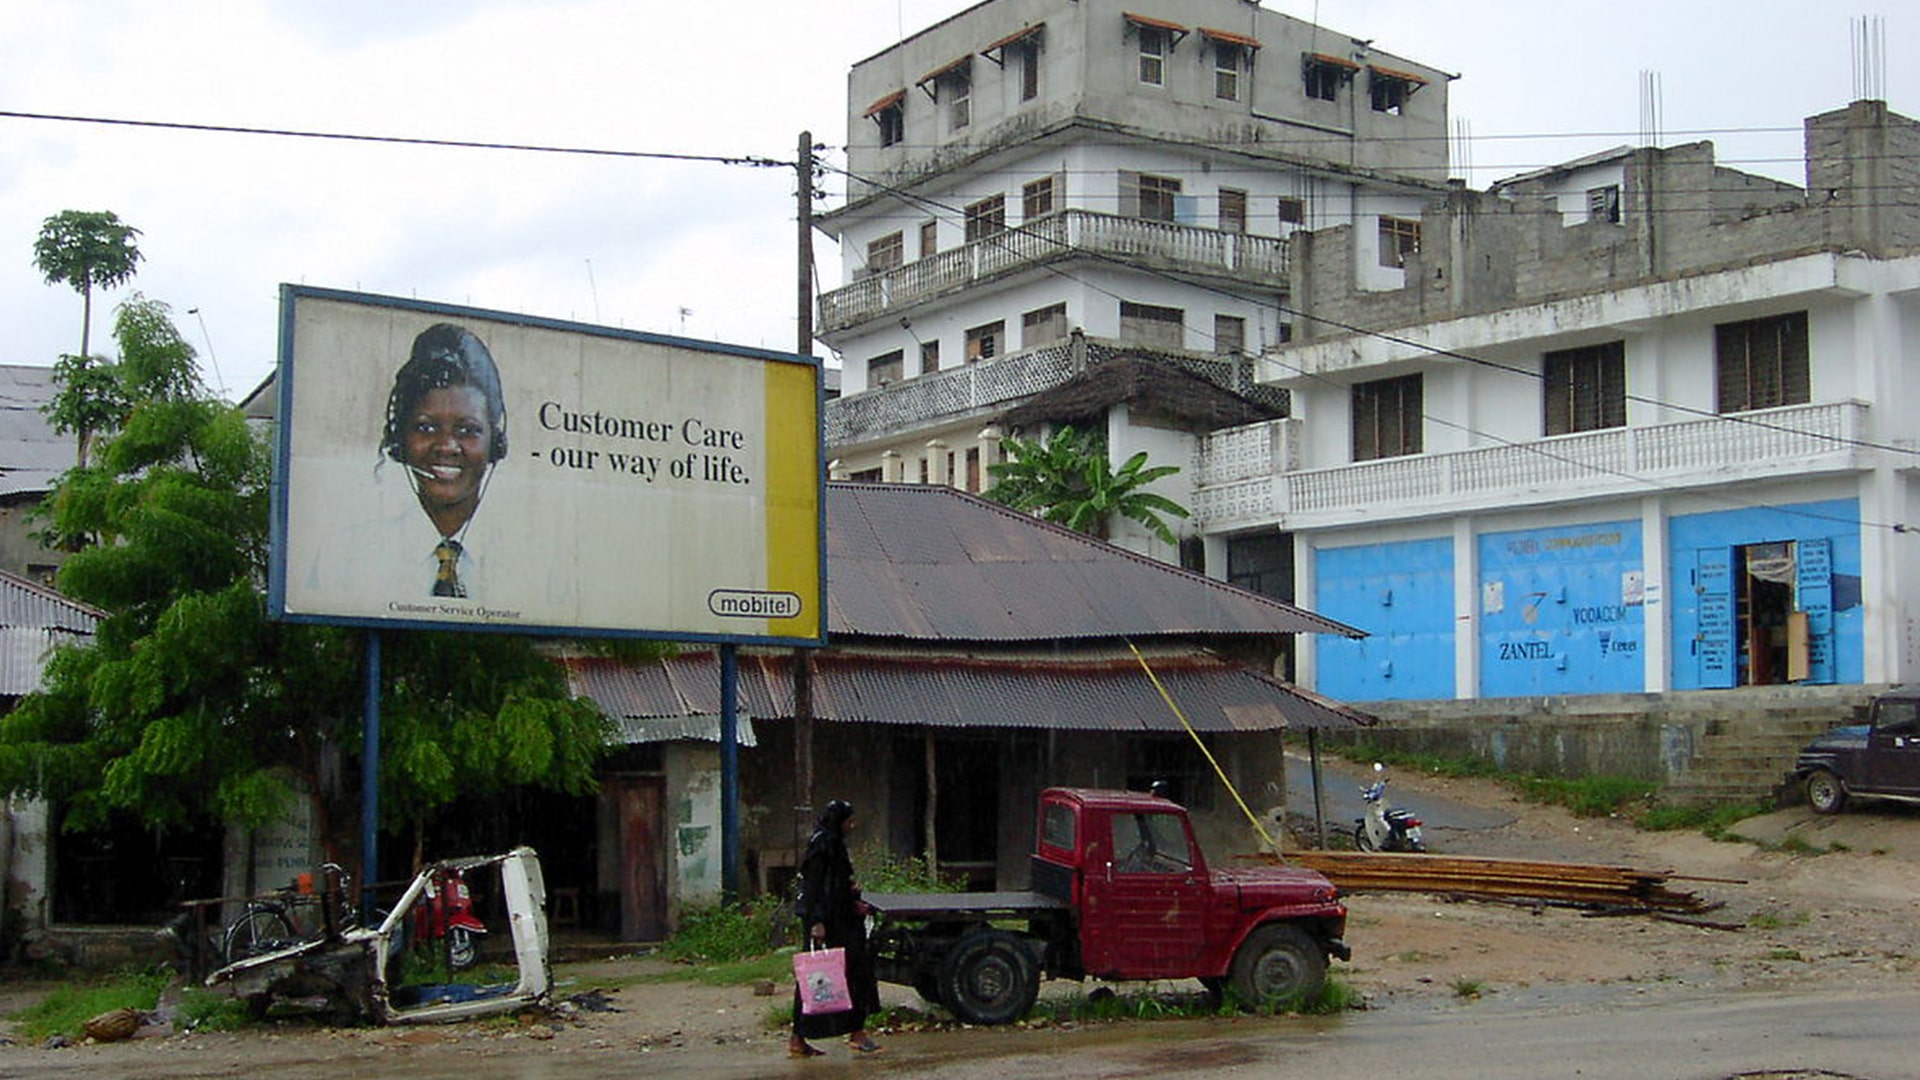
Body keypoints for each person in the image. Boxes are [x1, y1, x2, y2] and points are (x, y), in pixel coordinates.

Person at [378, 323, 508, 598]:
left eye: (467, 430)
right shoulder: (346, 555)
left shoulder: (532, 559)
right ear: (399, 437)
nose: (447, 447)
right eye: (426, 428)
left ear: (495, 442)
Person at [789, 799, 882, 1058]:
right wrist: (816, 921)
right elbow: (814, 886)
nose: (852, 826)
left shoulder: (834, 844)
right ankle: (802, 1036)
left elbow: (837, 883)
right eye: (848, 821)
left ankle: (855, 1030)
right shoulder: (823, 844)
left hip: (842, 918)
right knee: (820, 976)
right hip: (828, 922)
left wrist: (853, 899)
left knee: (854, 972)